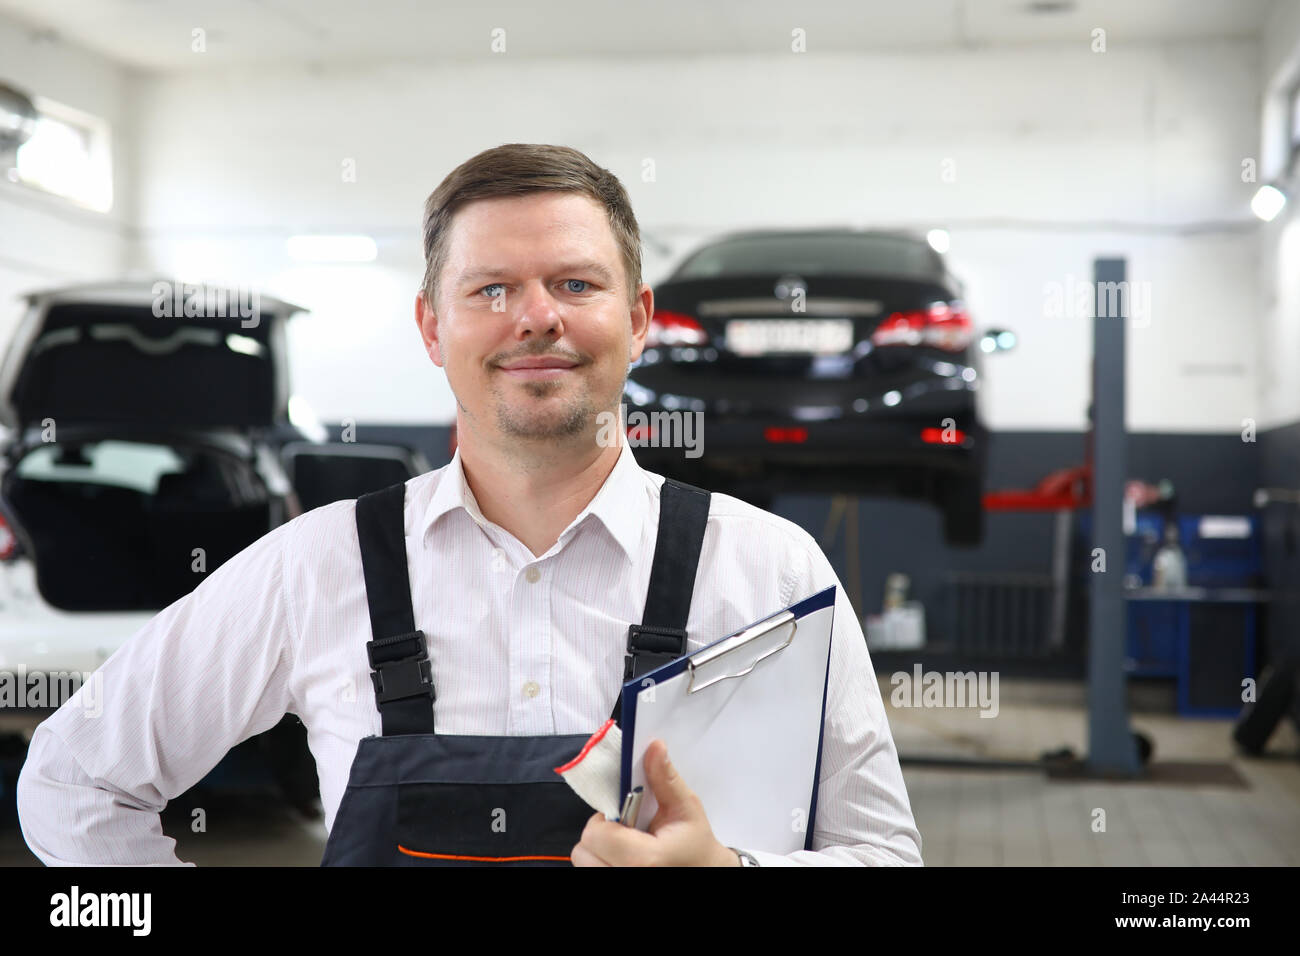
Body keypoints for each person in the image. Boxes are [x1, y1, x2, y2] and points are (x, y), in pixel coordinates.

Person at [17, 143, 922, 867]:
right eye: (491, 289)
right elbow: (71, 780)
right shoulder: (316, 566)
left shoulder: (769, 568)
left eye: (575, 283)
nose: (535, 317)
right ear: (430, 326)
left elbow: (881, 854)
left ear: (639, 319)